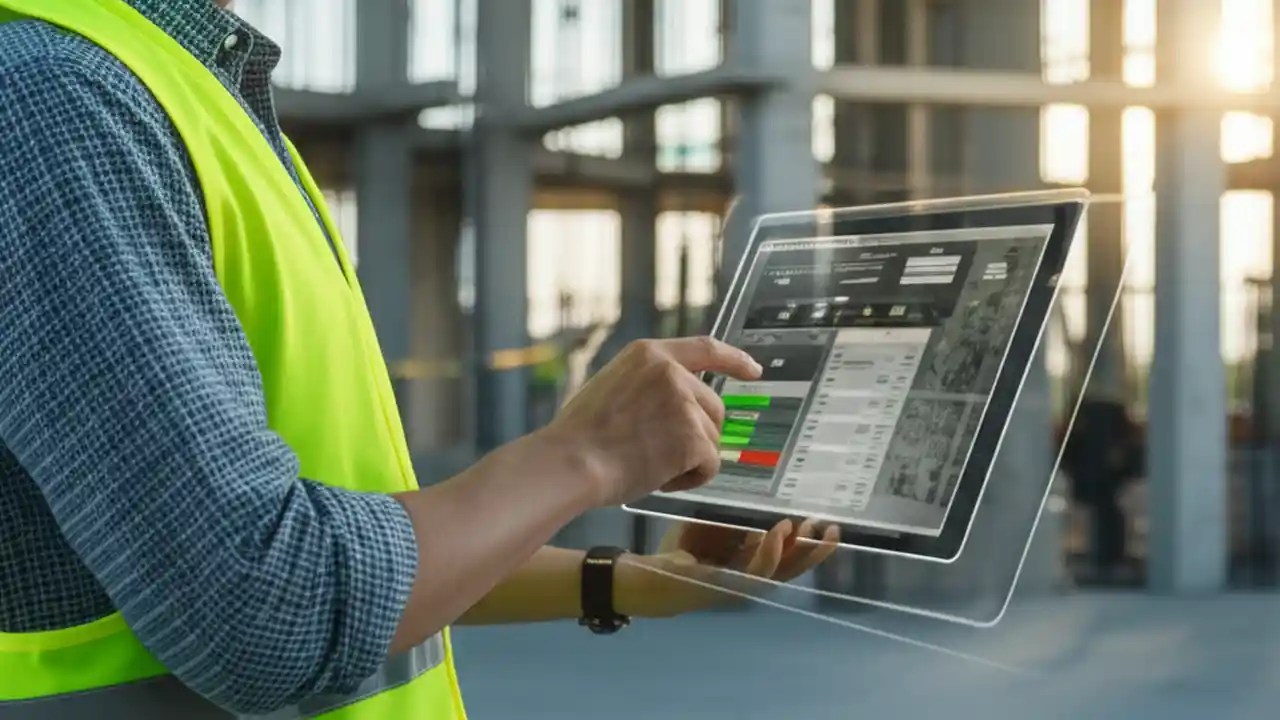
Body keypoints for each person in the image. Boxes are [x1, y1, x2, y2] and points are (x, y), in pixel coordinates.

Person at [0, 1, 837, 718]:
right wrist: (587, 453)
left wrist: (627, 579)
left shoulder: (192, 96)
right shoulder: (56, 101)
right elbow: (267, 606)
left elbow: (353, 532)